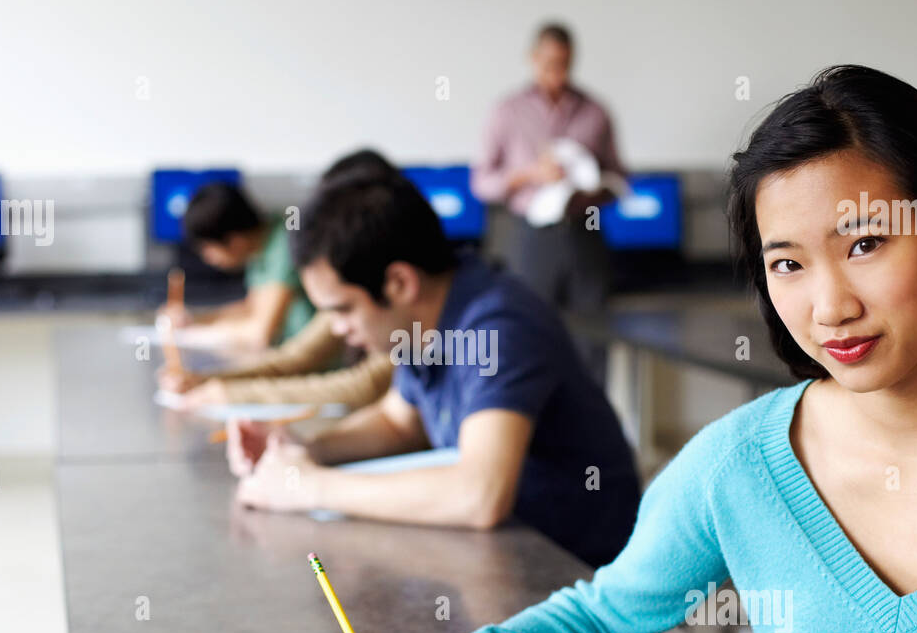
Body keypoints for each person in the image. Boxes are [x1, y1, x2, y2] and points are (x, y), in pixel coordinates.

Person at [332, 65, 917, 633]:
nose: (830, 307)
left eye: (866, 244)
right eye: (788, 263)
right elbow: (604, 620)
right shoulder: (748, 459)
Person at [229, 154, 641, 568]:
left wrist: (311, 487)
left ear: (400, 283)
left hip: (577, 572)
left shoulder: (497, 328)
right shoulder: (421, 320)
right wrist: (306, 450)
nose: (337, 329)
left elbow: (480, 495)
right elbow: (398, 422)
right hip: (508, 553)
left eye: (343, 310)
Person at [156, 151, 403, 410]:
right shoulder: (356, 272)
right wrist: (205, 380)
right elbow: (297, 356)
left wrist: (233, 393)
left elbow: (364, 384)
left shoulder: (393, 284)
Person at [472, 21, 627, 381]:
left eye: (565, 64)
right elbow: (482, 183)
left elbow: (619, 173)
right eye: (549, 64)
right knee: (527, 331)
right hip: (531, 237)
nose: (557, 74)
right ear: (532, 59)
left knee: (592, 338)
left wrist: (595, 189)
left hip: (584, 232)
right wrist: (529, 174)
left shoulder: (595, 112)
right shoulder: (506, 112)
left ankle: (589, 429)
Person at [157, 181, 314, 354]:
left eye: (208, 249)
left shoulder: (284, 245)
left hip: (316, 366)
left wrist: (195, 335)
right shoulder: (262, 245)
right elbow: (253, 307)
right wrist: (194, 320)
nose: (208, 258)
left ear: (235, 240)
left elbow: (261, 334)